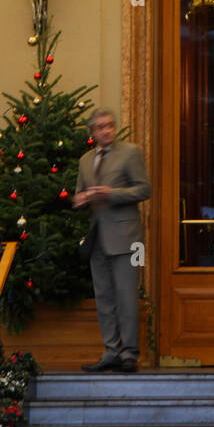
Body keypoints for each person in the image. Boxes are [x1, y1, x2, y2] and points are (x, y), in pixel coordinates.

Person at [74, 108, 151, 373]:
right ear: (92, 132)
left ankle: (130, 352)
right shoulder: (85, 160)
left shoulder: (130, 153)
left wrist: (111, 193)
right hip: (97, 237)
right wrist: (80, 199)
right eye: (101, 127)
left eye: (110, 125)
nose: (106, 130)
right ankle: (111, 351)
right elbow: (79, 193)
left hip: (125, 236)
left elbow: (144, 189)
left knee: (126, 295)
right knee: (104, 297)